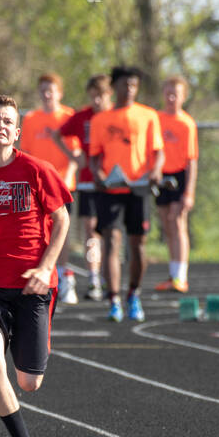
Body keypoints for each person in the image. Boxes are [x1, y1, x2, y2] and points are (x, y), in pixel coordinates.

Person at [0, 95, 72, 437]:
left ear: (17, 131)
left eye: (7, 121)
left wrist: (46, 267)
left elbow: (62, 219)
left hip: (33, 288)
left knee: (29, 382)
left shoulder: (37, 169)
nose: (0, 125)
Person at [88, 65, 162, 322]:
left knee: (138, 244)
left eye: (133, 84)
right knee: (111, 241)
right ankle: (113, 300)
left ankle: (133, 294)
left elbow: (158, 151)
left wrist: (156, 171)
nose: (128, 88)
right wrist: (97, 174)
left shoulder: (149, 115)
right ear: (114, 87)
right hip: (110, 189)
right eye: (123, 84)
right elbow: (94, 156)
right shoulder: (101, 119)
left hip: (138, 188)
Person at [54, 74, 113, 301]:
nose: (97, 101)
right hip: (88, 182)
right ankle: (93, 278)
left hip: (113, 183)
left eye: (101, 96)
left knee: (111, 233)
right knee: (90, 231)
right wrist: (74, 157)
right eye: (93, 96)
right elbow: (57, 135)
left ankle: (109, 277)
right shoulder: (82, 117)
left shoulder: (115, 116)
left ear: (109, 95)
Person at [19, 73, 77, 303]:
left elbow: (75, 155)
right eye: (43, 89)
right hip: (37, 186)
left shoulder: (68, 116)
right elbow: (27, 154)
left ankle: (64, 278)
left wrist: (68, 178)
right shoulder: (32, 118)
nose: (47, 94)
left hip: (62, 184)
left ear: (59, 92)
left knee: (62, 230)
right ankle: (43, 275)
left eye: (51, 89)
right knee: (40, 232)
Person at [152, 75, 199, 294]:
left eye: (176, 94)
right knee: (167, 224)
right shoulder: (156, 119)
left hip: (179, 176)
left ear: (183, 97)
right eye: (168, 93)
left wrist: (188, 191)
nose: (171, 98)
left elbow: (191, 161)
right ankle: (173, 275)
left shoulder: (186, 123)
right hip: (160, 176)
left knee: (178, 222)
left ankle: (182, 276)